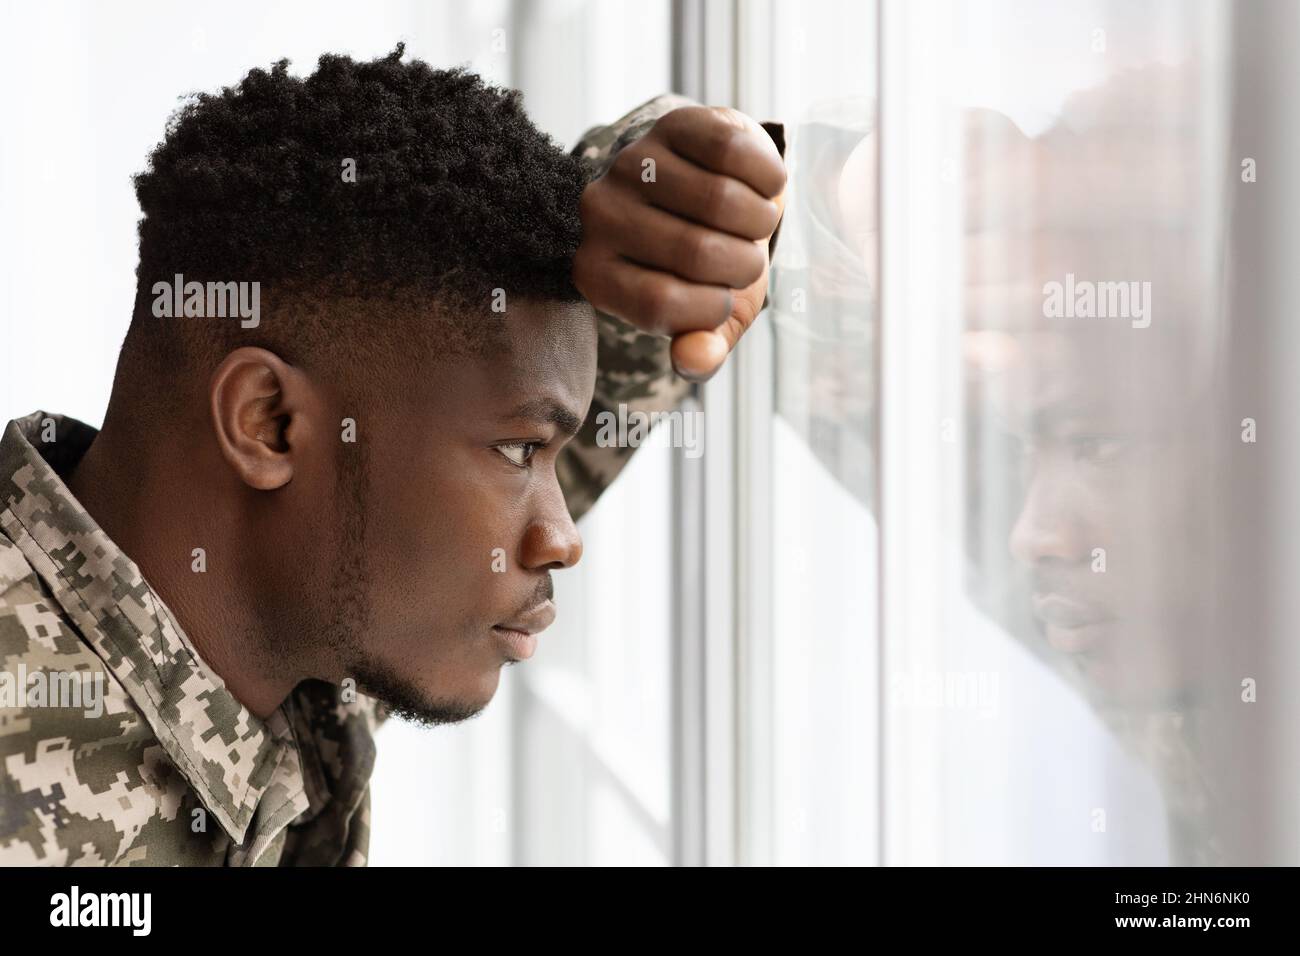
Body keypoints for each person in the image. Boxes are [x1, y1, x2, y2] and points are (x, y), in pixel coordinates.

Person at [0, 44, 785, 865]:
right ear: (267, 423)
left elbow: (629, 307)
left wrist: (683, 186)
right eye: (520, 449)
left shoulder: (296, 631)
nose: (562, 537)